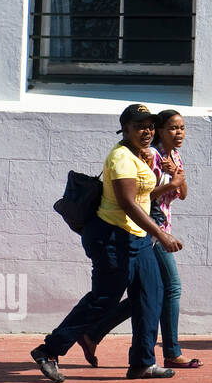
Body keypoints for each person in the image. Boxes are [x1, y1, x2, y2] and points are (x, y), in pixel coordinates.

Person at [31, 104, 183, 382]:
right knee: (103, 300)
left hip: (136, 238)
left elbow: (144, 196)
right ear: (124, 130)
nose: (146, 131)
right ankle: (48, 351)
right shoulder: (121, 158)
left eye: (149, 126)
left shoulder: (141, 155)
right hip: (111, 237)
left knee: (151, 295)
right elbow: (127, 202)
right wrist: (161, 233)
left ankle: (142, 363)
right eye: (139, 126)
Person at [79, 109, 200, 369]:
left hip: (161, 225)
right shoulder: (149, 155)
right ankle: (171, 351)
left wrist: (176, 174)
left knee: (149, 293)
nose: (178, 133)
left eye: (182, 128)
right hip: (151, 227)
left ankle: (94, 333)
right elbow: (143, 197)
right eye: (172, 128)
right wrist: (170, 184)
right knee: (170, 288)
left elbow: (183, 192)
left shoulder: (173, 156)